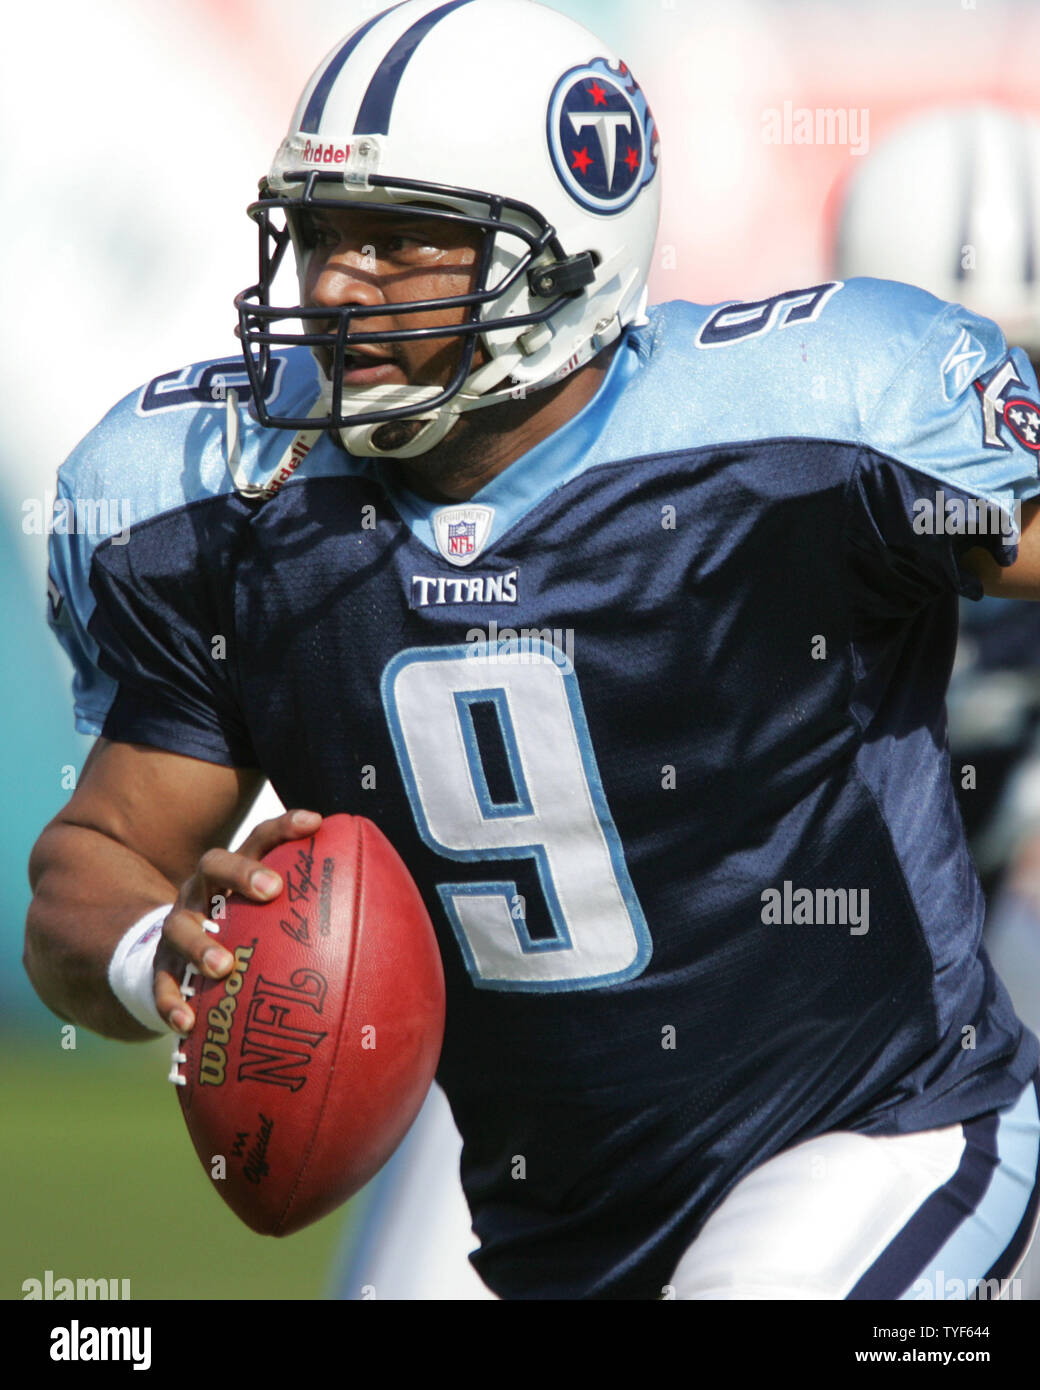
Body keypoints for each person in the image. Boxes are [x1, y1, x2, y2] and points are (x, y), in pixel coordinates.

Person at [24, 0, 1040, 1300]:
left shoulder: (792, 431)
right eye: (323, 234)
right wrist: (151, 942)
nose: (339, 285)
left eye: (401, 242)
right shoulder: (220, 505)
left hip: (876, 1128)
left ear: (564, 255)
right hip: (548, 1217)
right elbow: (93, 861)